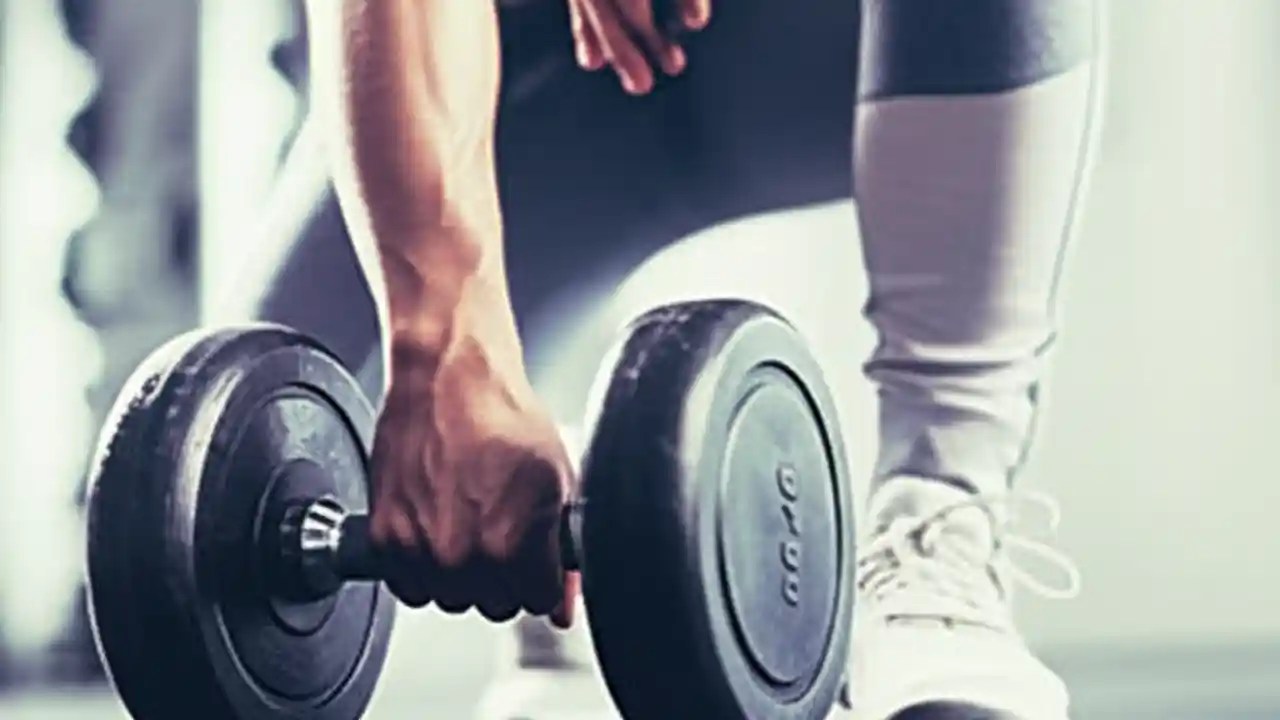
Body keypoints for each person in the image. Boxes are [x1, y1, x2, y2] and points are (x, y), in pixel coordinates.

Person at [275, 0, 1105, 717]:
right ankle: (575, 599)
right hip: (521, 87)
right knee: (243, 444)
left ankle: (941, 510)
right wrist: (443, 356)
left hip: (819, 60)